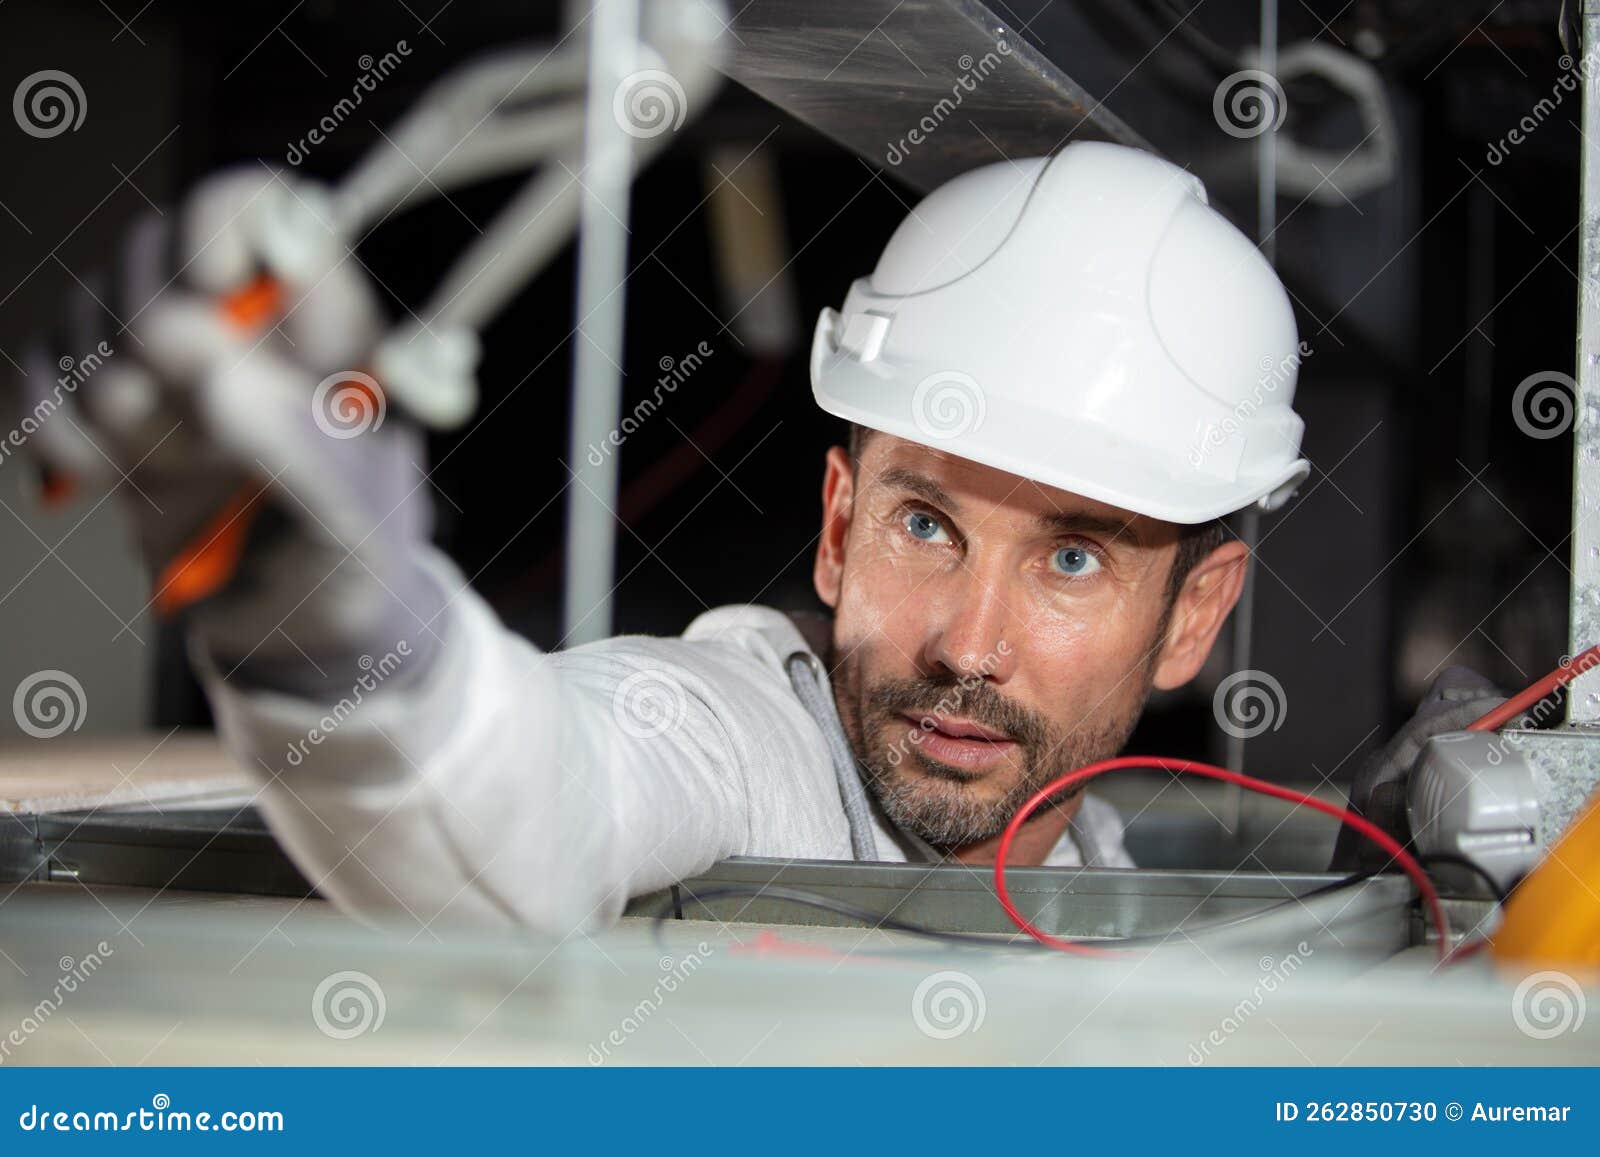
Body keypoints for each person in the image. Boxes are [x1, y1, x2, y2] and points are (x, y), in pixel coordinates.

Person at [16, 143, 1342, 932]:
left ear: (1193, 614)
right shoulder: (750, 747)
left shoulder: (1097, 868)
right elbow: (542, 805)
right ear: (836, 529)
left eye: (1069, 558)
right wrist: (339, 625)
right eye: (925, 523)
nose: (966, 645)